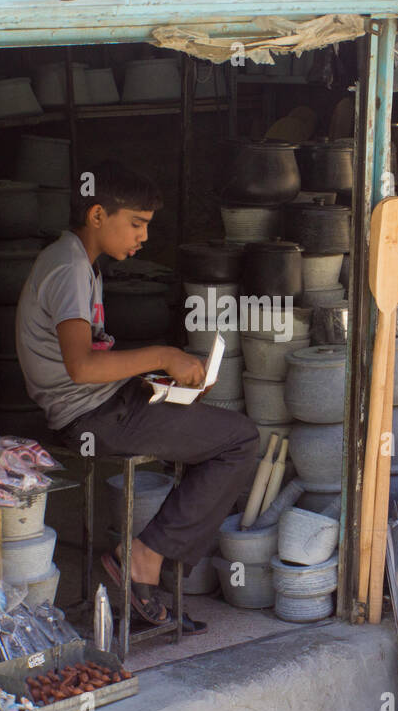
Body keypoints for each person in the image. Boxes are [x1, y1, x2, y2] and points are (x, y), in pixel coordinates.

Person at [16, 161, 259, 628]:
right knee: (240, 440)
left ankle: (153, 556)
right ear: (98, 215)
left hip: (103, 403)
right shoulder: (68, 269)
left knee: (207, 421)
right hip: (90, 418)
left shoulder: (78, 261)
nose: (143, 237)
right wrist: (164, 356)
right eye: (136, 224)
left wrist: (156, 381)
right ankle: (146, 556)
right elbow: (82, 366)